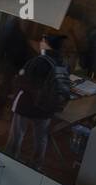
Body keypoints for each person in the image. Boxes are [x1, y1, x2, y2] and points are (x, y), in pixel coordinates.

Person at [6, 33, 72, 172]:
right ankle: (36, 165)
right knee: (41, 138)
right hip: (47, 107)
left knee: (17, 135)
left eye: (43, 40)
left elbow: (23, 80)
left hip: (27, 105)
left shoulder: (38, 61)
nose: (40, 42)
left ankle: (10, 159)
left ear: (47, 44)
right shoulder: (63, 62)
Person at [0, 17, 36, 118]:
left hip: (16, 62)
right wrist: (0, 60)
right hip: (11, 63)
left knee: (9, 84)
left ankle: (5, 102)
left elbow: (24, 46)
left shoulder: (16, 27)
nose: (28, 23)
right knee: (6, 85)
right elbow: (0, 44)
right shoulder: (11, 28)